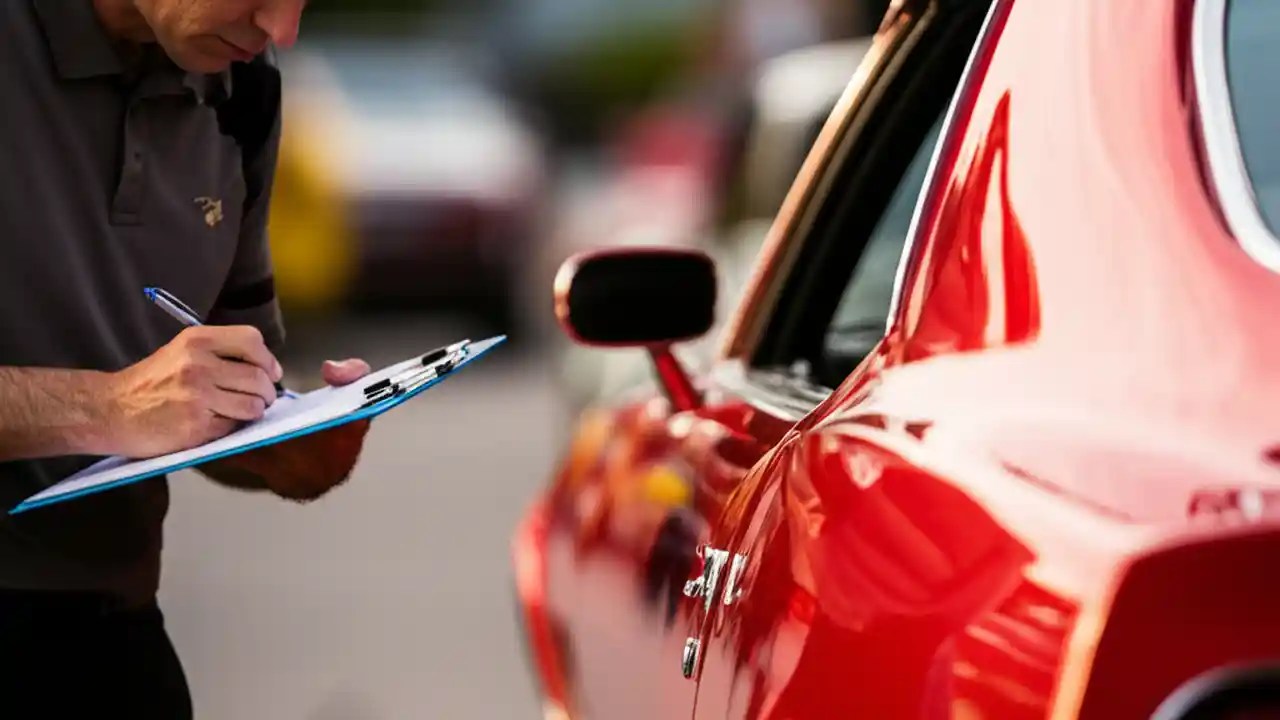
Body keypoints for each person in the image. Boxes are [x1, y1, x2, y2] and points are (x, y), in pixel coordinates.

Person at [0, 1, 371, 716]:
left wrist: (286, 444)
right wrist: (105, 409)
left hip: (114, 643)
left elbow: (198, 406)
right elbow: (134, 409)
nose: (282, 29)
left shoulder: (246, 88)